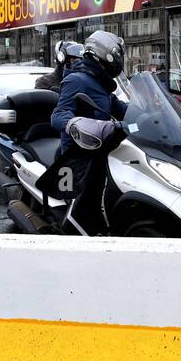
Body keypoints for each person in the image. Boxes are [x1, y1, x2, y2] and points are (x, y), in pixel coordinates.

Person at [44, 31, 129, 233]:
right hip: (79, 155)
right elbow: (58, 115)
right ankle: (73, 234)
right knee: (85, 206)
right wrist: (77, 124)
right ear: (106, 54)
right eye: (118, 55)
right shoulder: (78, 80)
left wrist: (148, 114)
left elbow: (120, 108)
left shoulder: (100, 82)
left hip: (100, 151)